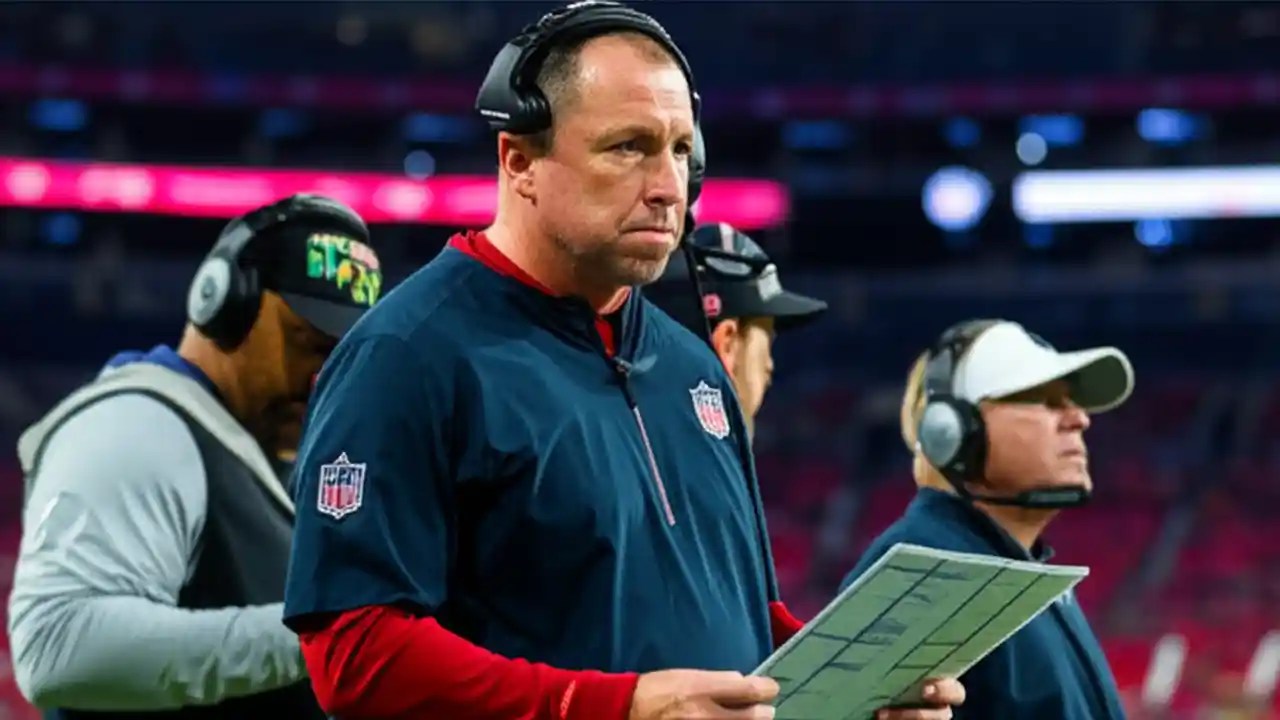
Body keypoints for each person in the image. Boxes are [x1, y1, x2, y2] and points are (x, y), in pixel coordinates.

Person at [282, 2, 964, 719]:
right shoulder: (406, 355)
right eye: (628, 147)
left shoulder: (694, 369)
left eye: (679, 149)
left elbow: (745, 616)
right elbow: (354, 655)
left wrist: (857, 690)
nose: (670, 187)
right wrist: (618, 707)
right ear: (519, 160)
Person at [8, 194, 383, 719]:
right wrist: (329, 638)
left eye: (345, 356)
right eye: (309, 344)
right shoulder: (138, 423)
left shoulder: (252, 448)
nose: (325, 378)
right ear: (223, 304)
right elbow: (59, 646)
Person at [841, 318, 1135, 719]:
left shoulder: (1011, 568)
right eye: (1045, 401)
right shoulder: (924, 574)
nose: (1079, 419)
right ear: (955, 431)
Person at [646, 221, 827, 436]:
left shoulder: (622, 434)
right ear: (728, 344)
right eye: (766, 341)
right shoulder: (703, 462)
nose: (769, 366)